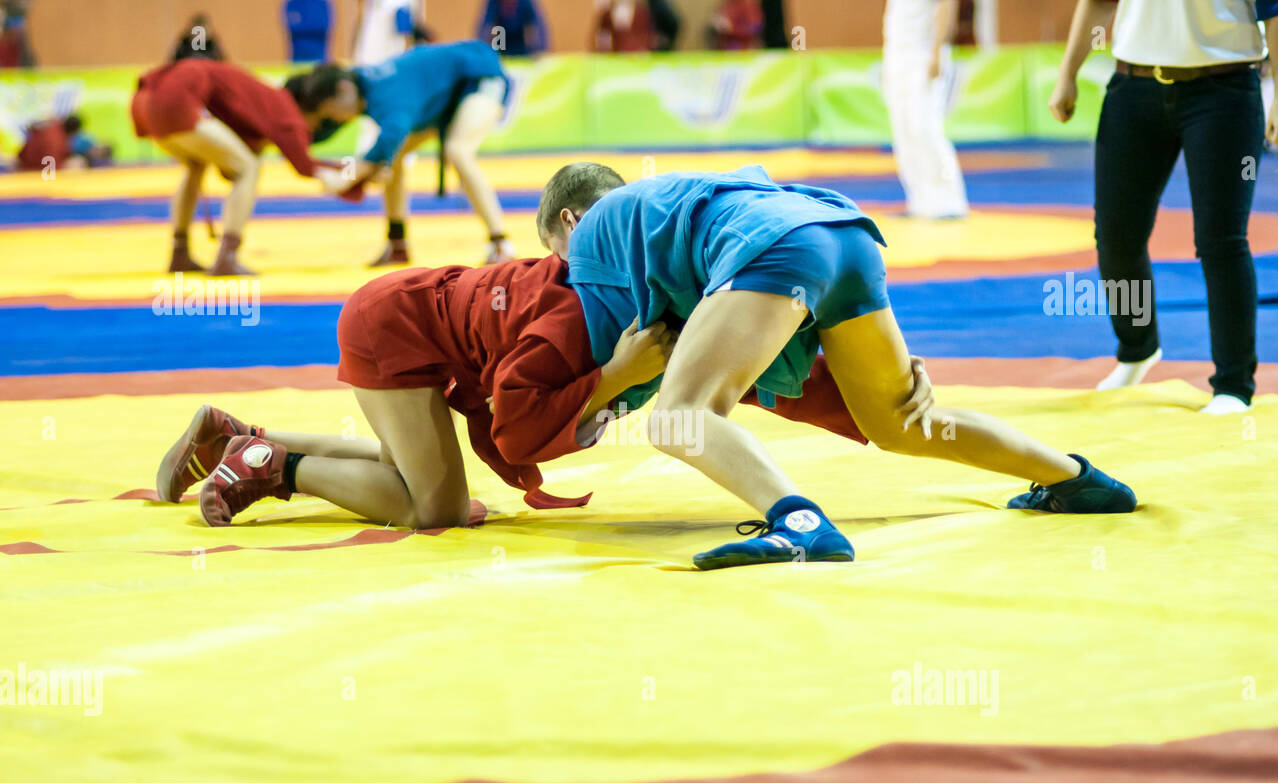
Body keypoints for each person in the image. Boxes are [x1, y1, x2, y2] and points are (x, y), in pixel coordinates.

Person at [541, 162, 1136, 570]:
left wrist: (583, 401)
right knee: (900, 420)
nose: (565, 274)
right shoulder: (669, 201)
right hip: (842, 237)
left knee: (677, 418)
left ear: (569, 222)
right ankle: (1076, 480)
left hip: (777, 249)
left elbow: (630, 355)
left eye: (557, 258)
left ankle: (799, 525)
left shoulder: (593, 232)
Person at [156, 255, 904, 530]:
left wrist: (879, 406)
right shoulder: (584, 315)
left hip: (403, 312)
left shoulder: (632, 295)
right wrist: (614, 377)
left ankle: (231, 433)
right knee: (433, 508)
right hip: (392, 324)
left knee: (403, 466)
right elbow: (516, 427)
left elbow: (751, 375)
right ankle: (266, 463)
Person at [1050, 0, 1278, 413]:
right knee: (1116, 235)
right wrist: (1067, 75)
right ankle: (1137, 348)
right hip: (1132, 90)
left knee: (1222, 241)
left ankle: (1233, 384)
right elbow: (1097, 3)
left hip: (1226, 95)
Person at [288, 42, 515, 267]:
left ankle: (500, 244)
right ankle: (397, 245)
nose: (334, 118)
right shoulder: (353, 84)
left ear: (344, 90)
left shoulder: (385, 94)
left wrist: (346, 177)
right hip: (444, 95)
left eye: (331, 111)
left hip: (480, 76)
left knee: (458, 150)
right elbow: (379, 150)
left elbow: (389, 138)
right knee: (393, 158)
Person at [131, 58, 347, 275]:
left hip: (145, 100)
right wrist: (351, 170)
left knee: (196, 165)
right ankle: (227, 256)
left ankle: (179, 254)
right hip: (177, 98)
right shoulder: (286, 110)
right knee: (248, 168)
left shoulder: (261, 98)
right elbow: (305, 166)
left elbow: (230, 151)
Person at [882, 0, 969, 220]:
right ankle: (919, 201)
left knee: (923, 126)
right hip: (896, 53)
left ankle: (950, 201)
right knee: (903, 129)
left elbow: (947, 5)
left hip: (923, 53)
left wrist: (938, 50)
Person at [478, 0, 548, 56]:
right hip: (501, 46)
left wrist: (539, 50)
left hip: (522, 49)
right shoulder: (493, 3)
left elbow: (537, 28)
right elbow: (485, 28)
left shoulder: (526, 2)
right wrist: (484, 51)